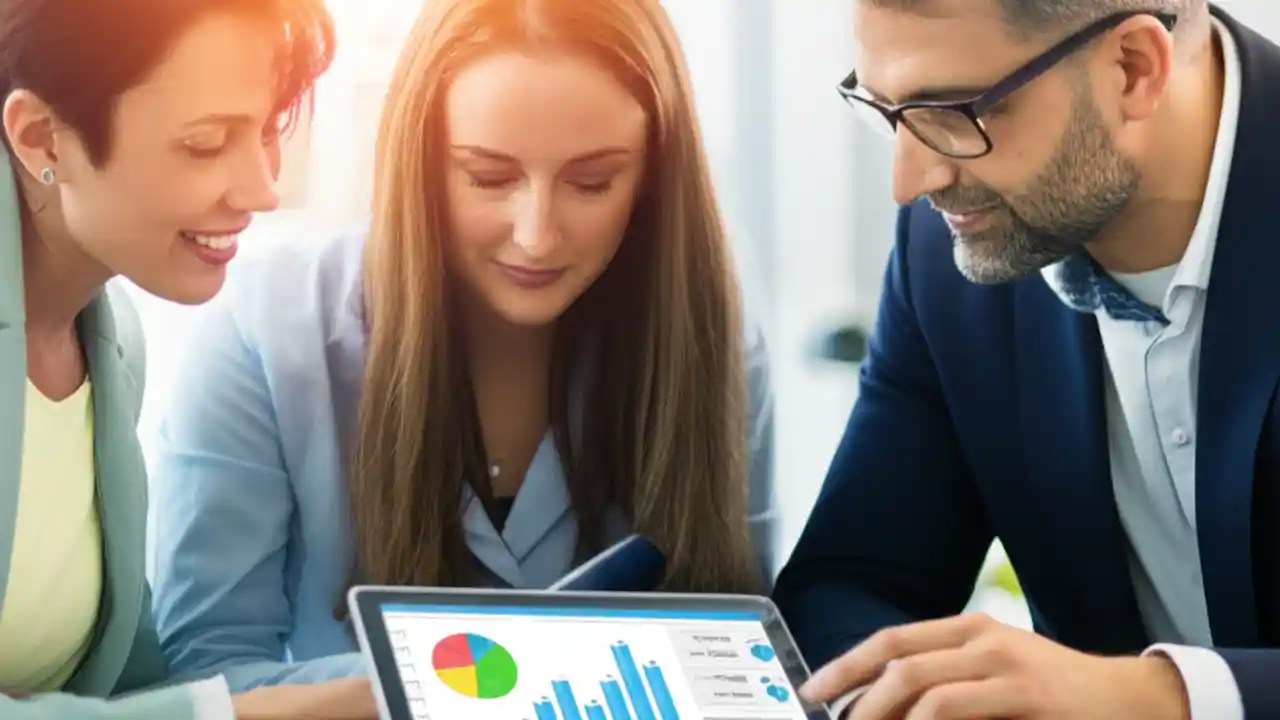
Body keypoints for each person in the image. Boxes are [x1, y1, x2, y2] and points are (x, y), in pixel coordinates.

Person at [150, 0, 777, 693]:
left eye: (592, 182)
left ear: (654, 177)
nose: (536, 234)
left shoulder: (716, 342)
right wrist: (494, 684)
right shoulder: (267, 332)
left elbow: (742, 653)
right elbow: (204, 681)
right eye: (488, 177)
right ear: (420, 163)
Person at [773, 0, 1280, 718]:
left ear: (1133, 69)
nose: (910, 181)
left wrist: (1154, 698)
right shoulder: (948, 252)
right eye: (884, 108)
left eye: (949, 112)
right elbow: (849, 587)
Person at [0, 0, 378, 717]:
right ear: (43, 139)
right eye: (205, 144)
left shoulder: (109, 346)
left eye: (266, 131)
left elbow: (125, 689)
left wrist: (391, 685)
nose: (261, 189)